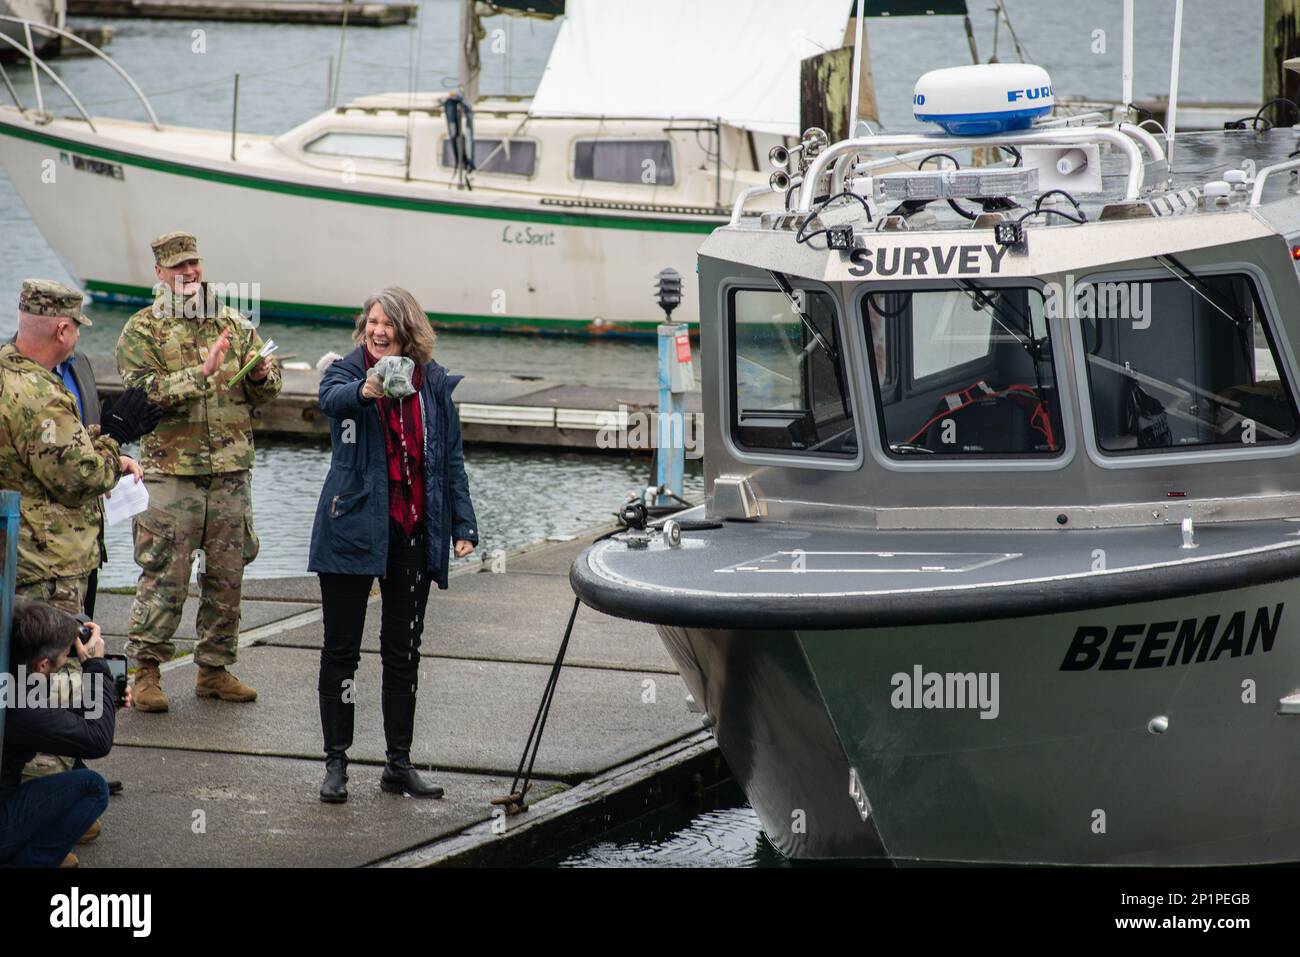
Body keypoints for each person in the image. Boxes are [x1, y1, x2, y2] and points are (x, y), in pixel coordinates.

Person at [309, 286, 477, 803]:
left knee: (403, 653)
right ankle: (336, 763)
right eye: (372, 322)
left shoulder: (434, 384)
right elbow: (330, 401)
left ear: (408, 330)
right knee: (341, 653)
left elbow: (451, 463)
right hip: (352, 529)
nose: (378, 331)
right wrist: (368, 390)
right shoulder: (345, 372)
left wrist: (463, 526)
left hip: (412, 532)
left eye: (388, 324)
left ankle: (397, 766)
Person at [1, 280, 156, 816]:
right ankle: (42, 808)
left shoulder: (4, 372)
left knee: (14, 679)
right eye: (75, 330)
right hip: (49, 561)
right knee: (54, 678)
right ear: (62, 329)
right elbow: (77, 474)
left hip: (13, 559)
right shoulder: (40, 394)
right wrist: (115, 436)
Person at [116, 232, 282, 712]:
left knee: (228, 577)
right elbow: (142, 395)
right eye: (176, 267)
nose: (188, 274)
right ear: (160, 274)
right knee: (164, 576)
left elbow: (267, 391)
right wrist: (200, 374)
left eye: (193, 263)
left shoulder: (232, 321)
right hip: (172, 475)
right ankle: (145, 671)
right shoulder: (142, 330)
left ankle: (214, 668)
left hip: (230, 472)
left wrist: (259, 375)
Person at [0, 599, 128, 868]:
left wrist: (102, 700)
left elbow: (49, 713)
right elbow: (98, 740)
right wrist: (95, 668)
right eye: (59, 664)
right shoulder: (23, 709)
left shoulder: (9, 678)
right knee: (92, 787)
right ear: (43, 666)